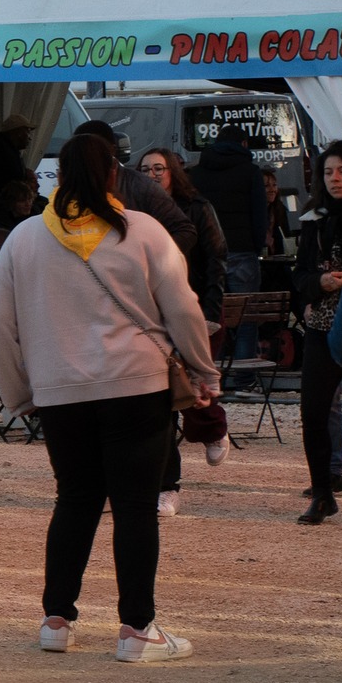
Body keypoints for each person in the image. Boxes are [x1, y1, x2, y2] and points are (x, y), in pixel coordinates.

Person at [0, 133, 219, 662]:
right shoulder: (143, 231)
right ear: (115, 175)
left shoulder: (24, 239)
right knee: (136, 508)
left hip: (60, 391)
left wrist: (20, 393)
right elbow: (182, 308)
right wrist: (204, 371)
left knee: (74, 500)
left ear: (58, 178)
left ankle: (56, 618)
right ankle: (137, 628)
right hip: (136, 385)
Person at [136, 147, 230, 515]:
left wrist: (208, 312)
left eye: (159, 168)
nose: (152, 175)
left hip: (193, 307)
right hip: (152, 313)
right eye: (145, 169)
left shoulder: (197, 208)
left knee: (192, 383)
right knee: (163, 398)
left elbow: (215, 261)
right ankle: (166, 485)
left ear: (174, 171)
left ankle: (212, 427)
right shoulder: (135, 215)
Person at [294, 142, 342, 526]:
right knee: (314, 412)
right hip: (323, 324)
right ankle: (322, 491)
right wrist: (319, 281)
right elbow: (299, 275)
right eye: (327, 172)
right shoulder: (314, 219)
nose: (334, 179)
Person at [190, 124, 269, 385]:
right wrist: (257, 246)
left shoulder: (197, 173)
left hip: (208, 253)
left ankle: (212, 377)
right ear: (244, 144)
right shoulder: (250, 172)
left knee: (212, 316)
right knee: (246, 319)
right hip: (242, 250)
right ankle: (244, 379)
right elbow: (260, 214)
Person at [70, 121, 197, 255]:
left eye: (94, 149)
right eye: (80, 150)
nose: (87, 156)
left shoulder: (142, 186)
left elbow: (185, 231)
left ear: (112, 150)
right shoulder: (68, 189)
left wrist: (148, 259)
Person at [263, 167, 292, 257]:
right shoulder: (252, 213)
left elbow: (287, 235)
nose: (272, 189)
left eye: (274, 185)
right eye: (266, 186)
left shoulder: (280, 209)